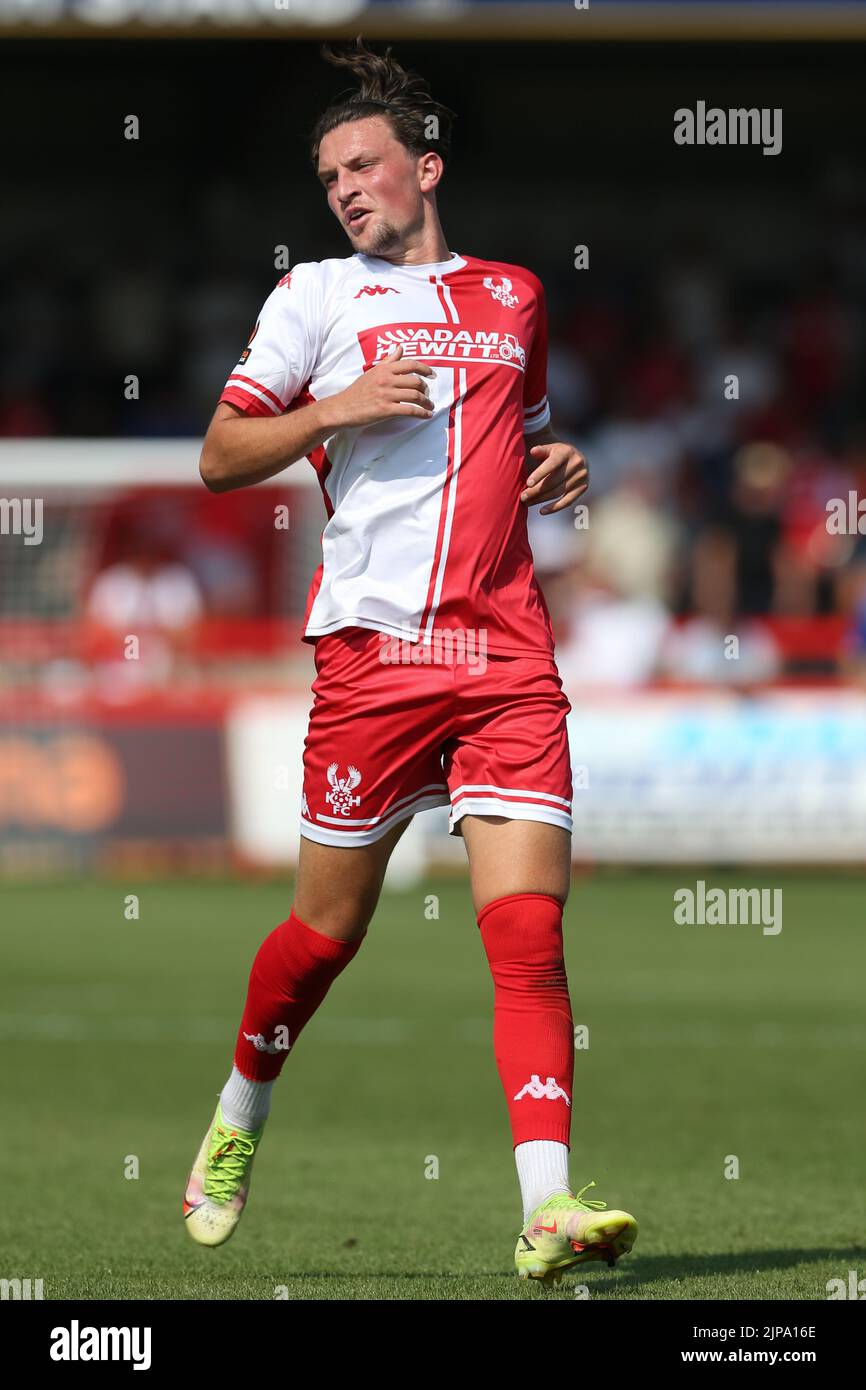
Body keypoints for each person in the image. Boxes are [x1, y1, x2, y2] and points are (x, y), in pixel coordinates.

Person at [183, 36, 636, 1285]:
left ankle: (545, 1208)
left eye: (361, 164)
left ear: (422, 167)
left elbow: (529, 439)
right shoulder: (314, 299)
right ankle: (240, 1110)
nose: (343, 187)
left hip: (503, 652)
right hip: (372, 658)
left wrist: (563, 466)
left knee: (529, 934)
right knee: (325, 936)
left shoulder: (516, 296)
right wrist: (333, 409)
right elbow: (219, 455)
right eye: (327, 174)